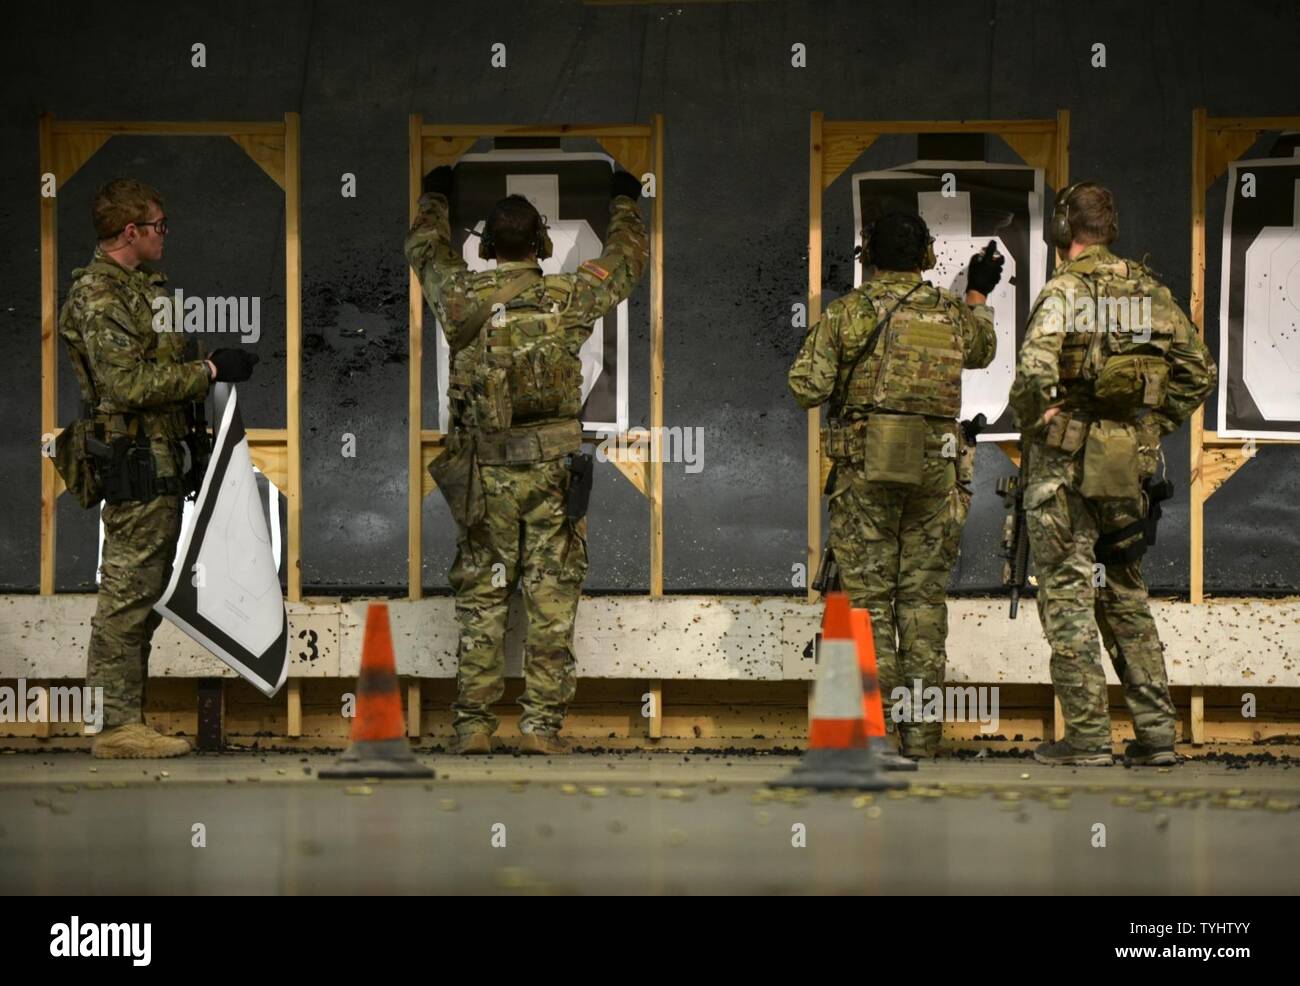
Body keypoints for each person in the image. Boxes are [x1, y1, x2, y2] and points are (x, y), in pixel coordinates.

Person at [406, 165, 649, 754]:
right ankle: (540, 728)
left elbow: (424, 250)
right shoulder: (571, 296)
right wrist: (623, 201)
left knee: (483, 598)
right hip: (550, 477)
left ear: (486, 246)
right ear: (541, 245)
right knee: (550, 596)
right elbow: (626, 260)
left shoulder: (461, 294)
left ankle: (473, 728)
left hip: (482, 476)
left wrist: (435, 196)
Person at [1009, 181, 1216, 767]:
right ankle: (1157, 737)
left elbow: (1030, 376)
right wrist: (1151, 430)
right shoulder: (1151, 291)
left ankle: (1088, 738)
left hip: (1064, 472)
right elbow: (1200, 373)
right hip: (1128, 470)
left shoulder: (1065, 291)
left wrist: (1038, 417)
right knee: (1124, 594)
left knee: (1069, 596)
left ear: (1062, 228)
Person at [788, 212, 1001, 759]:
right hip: (937, 473)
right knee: (923, 602)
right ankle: (924, 736)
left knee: (868, 603)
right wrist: (976, 292)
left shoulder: (848, 313)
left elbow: (806, 387)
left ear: (869, 257)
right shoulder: (951, 313)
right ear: (927, 257)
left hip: (868, 473)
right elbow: (983, 350)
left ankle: (874, 734)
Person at [57, 178, 257, 758]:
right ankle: (114, 726)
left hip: (162, 459)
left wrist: (202, 374)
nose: (164, 235)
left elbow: (158, 366)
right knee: (125, 595)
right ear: (130, 233)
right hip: (135, 463)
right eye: (158, 227)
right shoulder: (100, 295)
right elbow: (126, 384)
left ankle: (124, 721)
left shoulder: (142, 288)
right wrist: (212, 372)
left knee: (140, 594)